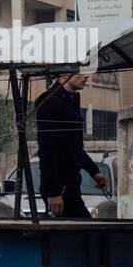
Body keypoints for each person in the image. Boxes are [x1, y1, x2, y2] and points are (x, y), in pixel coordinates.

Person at [34, 73, 108, 218]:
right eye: (80, 72)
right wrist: (54, 192)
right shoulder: (52, 103)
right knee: (82, 234)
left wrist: (94, 172)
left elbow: (74, 147)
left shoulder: (70, 100)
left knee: (81, 234)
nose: (86, 77)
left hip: (70, 184)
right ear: (63, 75)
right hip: (60, 188)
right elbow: (47, 150)